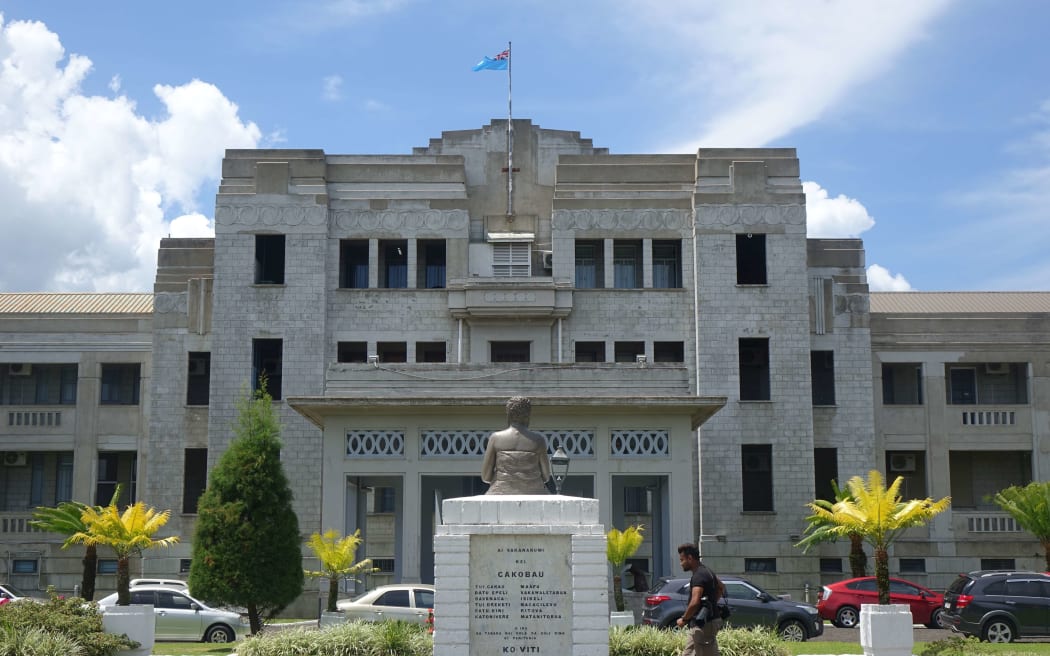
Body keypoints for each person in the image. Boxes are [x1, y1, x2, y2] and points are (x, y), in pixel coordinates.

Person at [480, 396, 553, 495]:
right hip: (534, 491)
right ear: (528, 415)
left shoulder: (495, 438)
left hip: (500, 490)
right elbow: (546, 477)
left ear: (508, 415)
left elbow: (486, 477)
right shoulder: (538, 440)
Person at [675, 543, 724, 656]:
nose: (680, 563)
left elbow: (694, 602)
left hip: (702, 625)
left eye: (682, 560)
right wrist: (711, 604)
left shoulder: (698, 576)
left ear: (690, 558)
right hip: (711, 622)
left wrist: (684, 619)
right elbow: (721, 587)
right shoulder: (707, 571)